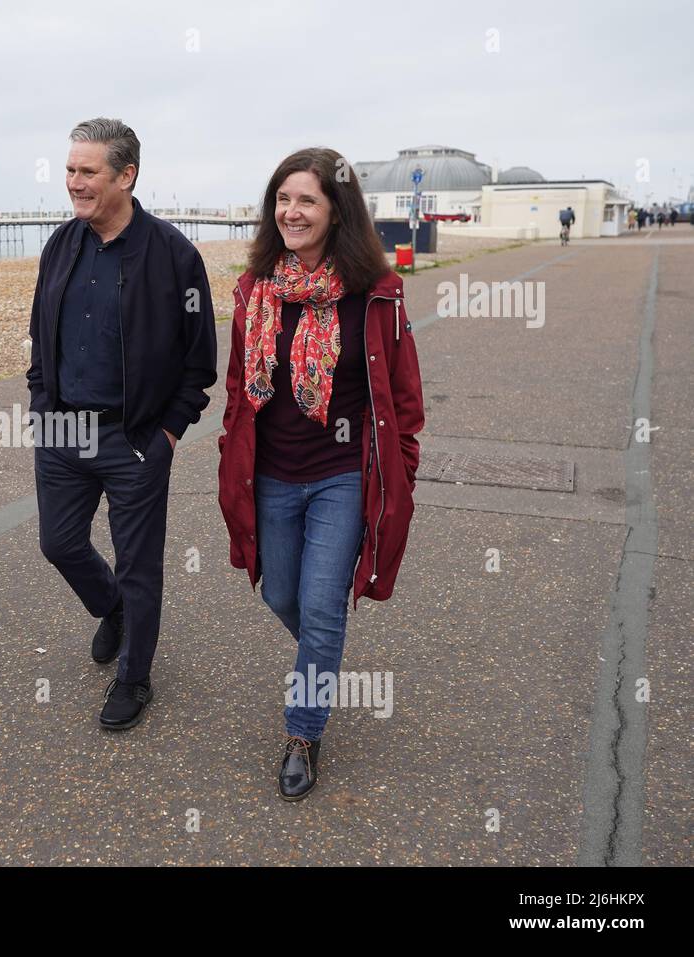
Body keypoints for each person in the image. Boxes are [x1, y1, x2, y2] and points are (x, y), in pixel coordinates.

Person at [217, 147, 424, 801]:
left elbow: (405, 399)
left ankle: (303, 734)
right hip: (271, 475)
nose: (292, 211)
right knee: (282, 595)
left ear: (337, 210)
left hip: (341, 475)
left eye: (307, 199)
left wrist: (402, 471)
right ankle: (324, 655)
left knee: (322, 608)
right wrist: (228, 454)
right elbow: (237, 391)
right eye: (283, 199)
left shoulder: (377, 294)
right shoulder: (255, 291)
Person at [28, 117, 217, 730]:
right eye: (70, 170)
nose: (74, 183)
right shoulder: (61, 245)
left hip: (133, 438)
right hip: (62, 432)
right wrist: (41, 407)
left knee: (138, 564)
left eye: (88, 172)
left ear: (126, 175)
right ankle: (111, 608)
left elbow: (199, 362)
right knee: (58, 544)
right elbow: (39, 337)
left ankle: (135, 677)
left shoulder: (174, 256)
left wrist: (166, 435)